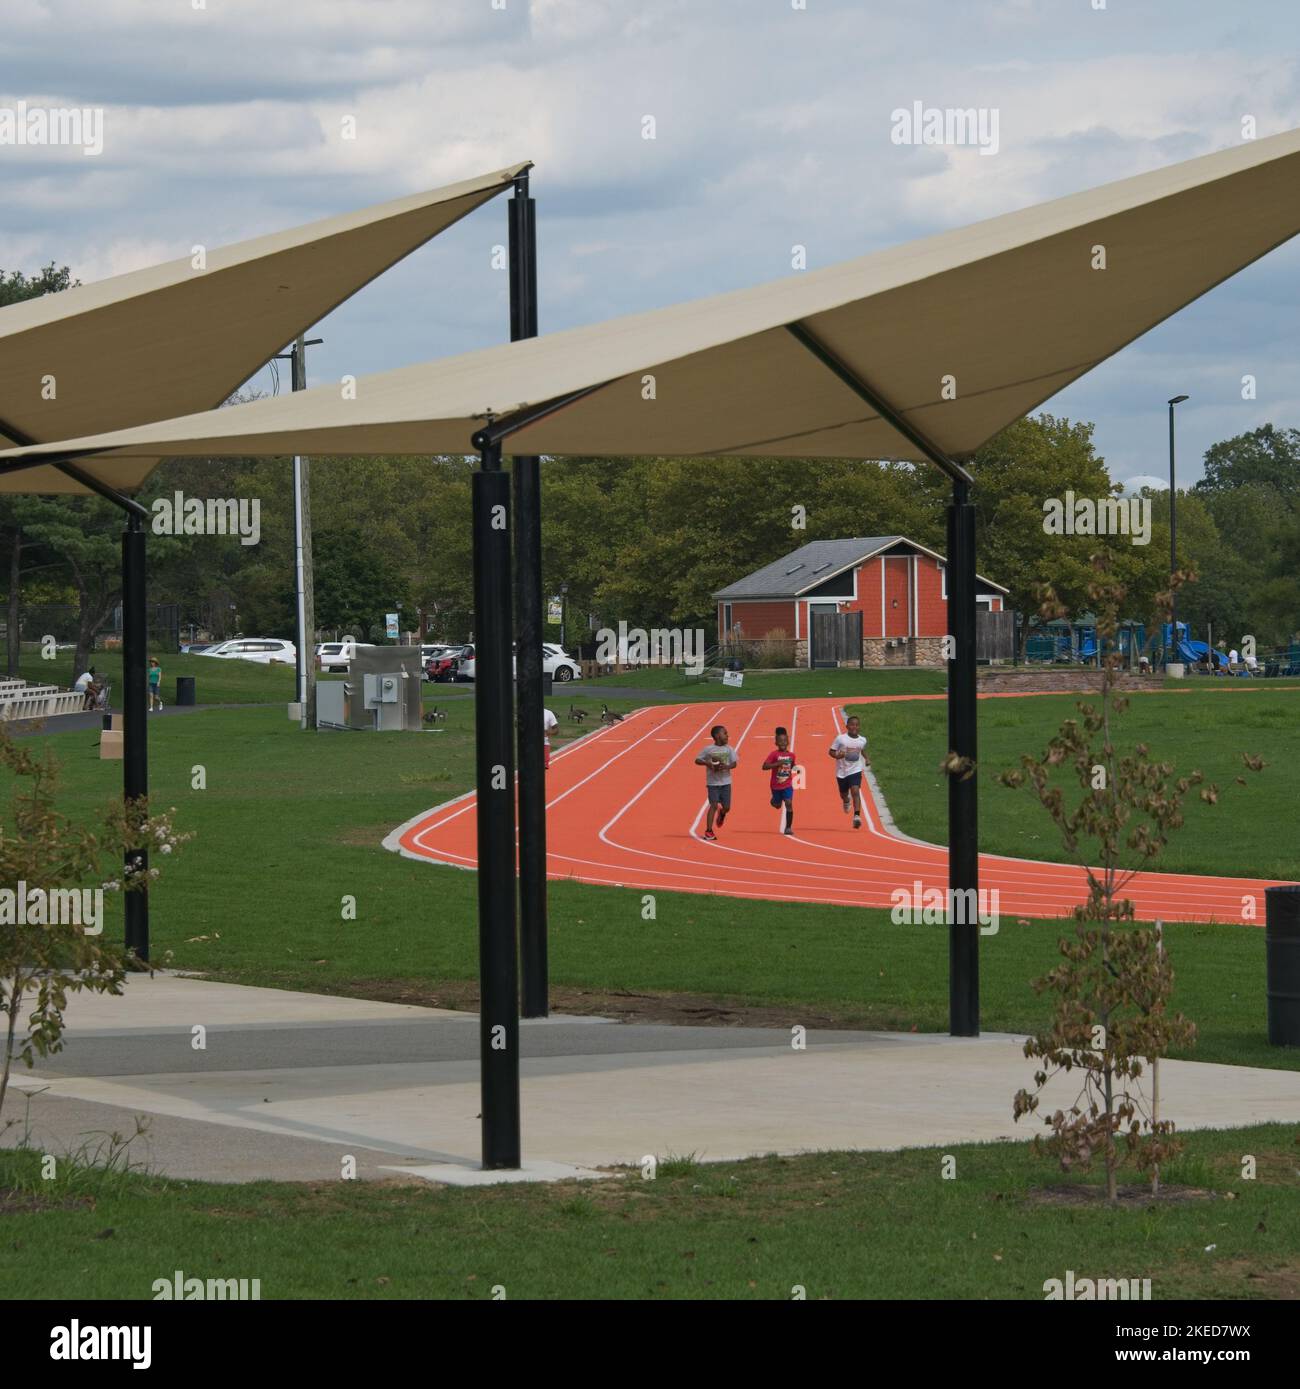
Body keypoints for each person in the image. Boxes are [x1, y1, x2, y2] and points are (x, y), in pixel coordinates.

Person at [694, 724, 737, 841]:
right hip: (713, 783)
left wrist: (726, 766)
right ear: (717, 735)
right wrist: (708, 763)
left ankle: (722, 814)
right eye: (725, 733)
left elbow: (734, 763)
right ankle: (708, 831)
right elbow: (697, 760)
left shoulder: (729, 749)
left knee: (727, 807)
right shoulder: (708, 749)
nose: (727, 736)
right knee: (713, 805)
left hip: (726, 782)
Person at [828, 713, 869, 829]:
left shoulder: (862, 740)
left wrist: (867, 758)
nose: (854, 727)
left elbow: (861, 750)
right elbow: (830, 751)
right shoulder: (841, 739)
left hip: (855, 769)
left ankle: (857, 816)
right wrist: (837, 756)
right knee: (844, 794)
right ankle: (846, 801)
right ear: (847, 726)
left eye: (857, 725)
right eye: (852, 725)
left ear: (859, 727)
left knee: (855, 790)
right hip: (842, 771)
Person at [762, 726, 797, 836]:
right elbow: (764, 766)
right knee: (777, 805)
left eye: (785, 741)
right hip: (775, 786)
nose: (783, 743)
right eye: (780, 741)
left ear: (788, 742)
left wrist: (794, 767)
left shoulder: (792, 755)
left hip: (787, 785)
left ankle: (788, 827)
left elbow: (792, 766)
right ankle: (774, 801)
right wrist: (778, 764)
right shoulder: (774, 754)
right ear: (776, 742)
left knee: (789, 803)